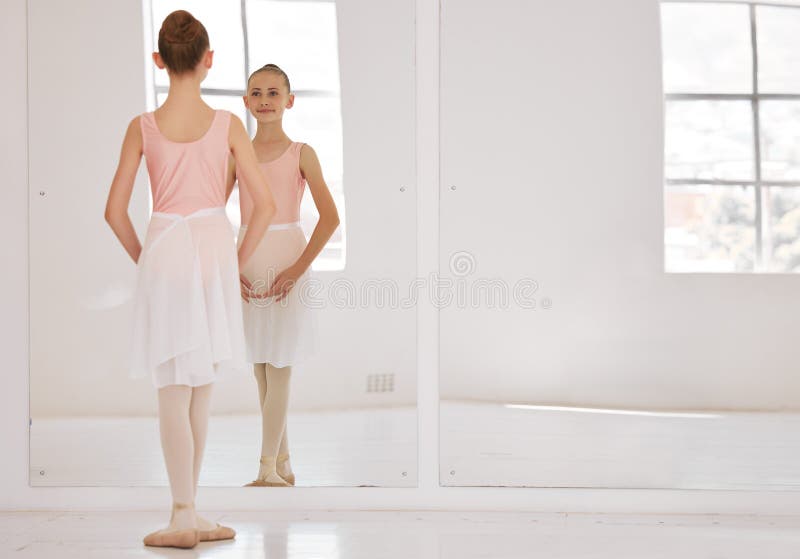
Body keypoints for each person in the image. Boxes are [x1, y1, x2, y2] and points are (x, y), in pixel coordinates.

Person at [104, 10, 275, 549]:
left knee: (172, 390)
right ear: (208, 61)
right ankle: (189, 511)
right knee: (200, 389)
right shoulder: (227, 124)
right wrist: (235, 262)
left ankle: (184, 512)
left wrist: (148, 262)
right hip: (212, 250)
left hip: (167, 249)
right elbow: (264, 206)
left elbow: (114, 212)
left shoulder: (143, 127)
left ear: (159, 61)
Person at [233, 63, 339, 487]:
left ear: (289, 101)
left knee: (280, 365)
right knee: (260, 366)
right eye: (256, 93)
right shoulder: (237, 154)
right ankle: (284, 464)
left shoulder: (302, 153)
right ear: (245, 101)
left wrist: (297, 269)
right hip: (249, 258)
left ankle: (265, 469)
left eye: (273, 93)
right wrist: (230, 264)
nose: (264, 100)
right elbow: (212, 209)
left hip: (287, 260)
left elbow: (330, 219)